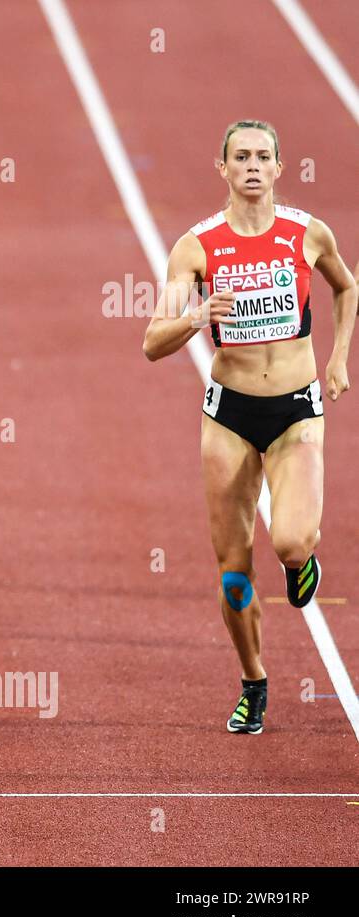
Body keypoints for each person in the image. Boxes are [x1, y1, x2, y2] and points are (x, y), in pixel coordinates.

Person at [143, 119, 355, 734]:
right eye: (242, 157)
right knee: (234, 574)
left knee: (290, 541)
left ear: (280, 167)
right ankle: (254, 680)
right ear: (224, 168)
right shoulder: (197, 247)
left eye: (264, 156)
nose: (253, 166)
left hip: (296, 411)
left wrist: (338, 359)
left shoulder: (307, 233)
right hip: (230, 417)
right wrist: (197, 316)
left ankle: (299, 564)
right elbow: (152, 342)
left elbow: (347, 287)